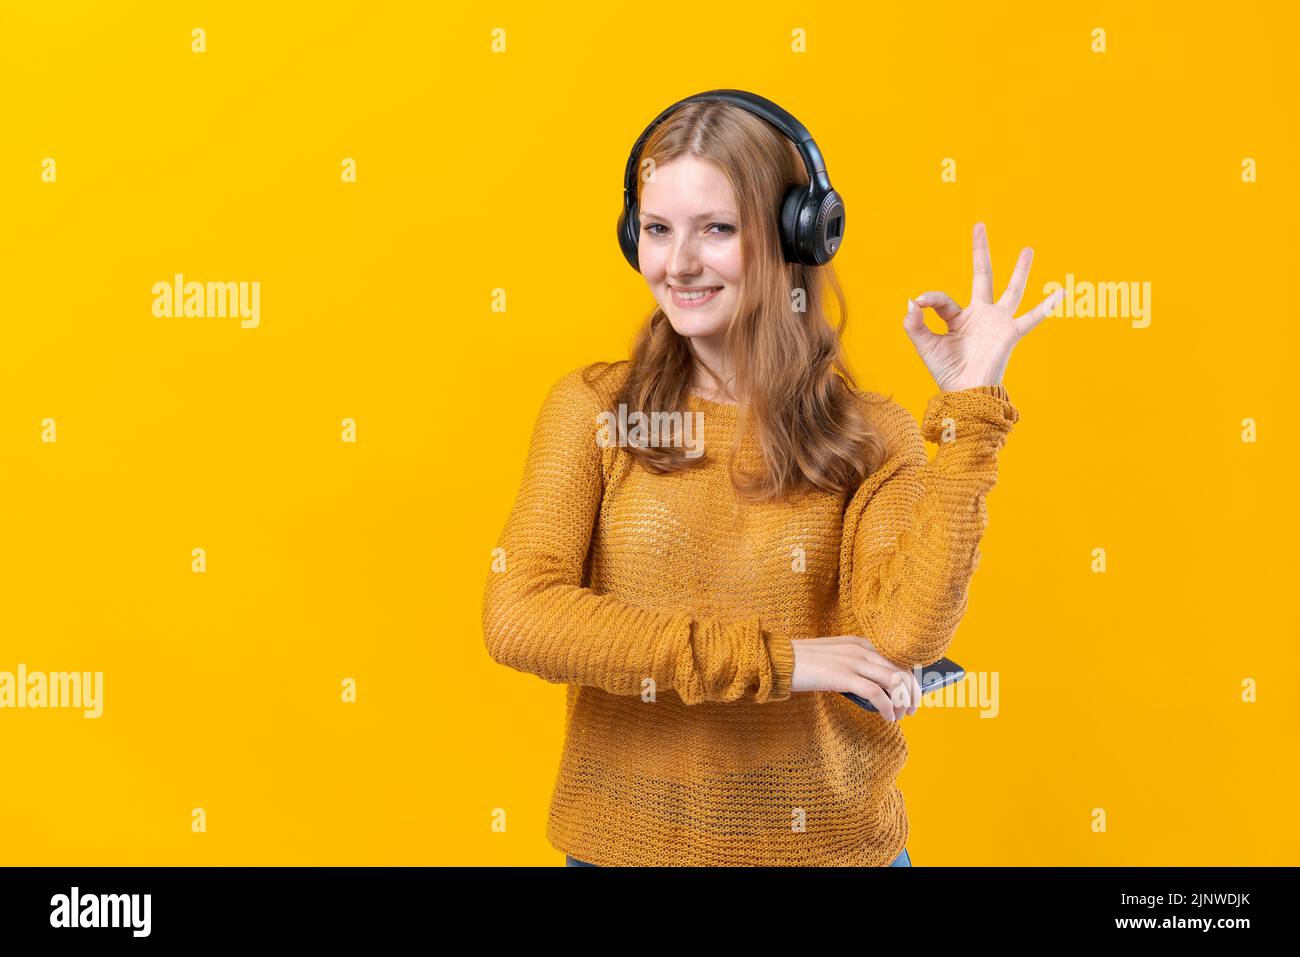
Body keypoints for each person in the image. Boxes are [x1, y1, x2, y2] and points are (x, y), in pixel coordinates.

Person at [482, 93, 1058, 867]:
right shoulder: (593, 410)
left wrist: (967, 414)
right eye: (657, 230)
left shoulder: (869, 434)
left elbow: (905, 637)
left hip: (833, 850)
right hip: (623, 849)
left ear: (796, 234)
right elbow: (520, 615)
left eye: (716, 229)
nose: (678, 263)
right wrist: (786, 663)